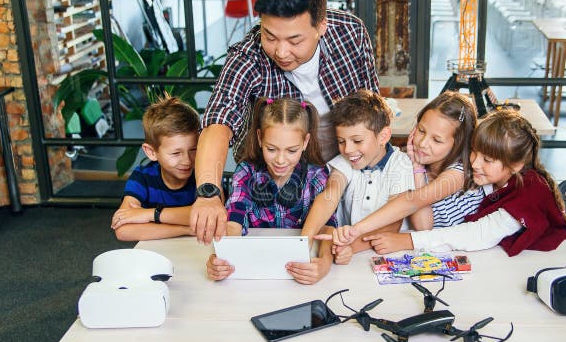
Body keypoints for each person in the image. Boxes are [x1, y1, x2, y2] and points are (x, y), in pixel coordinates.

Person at [191, 0, 379, 245]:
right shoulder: (246, 58)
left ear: (321, 26)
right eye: (270, 36)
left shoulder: (349, 34)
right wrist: (208, 193)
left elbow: (372, 109)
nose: (281, 51)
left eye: (294, 41)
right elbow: (219, 121)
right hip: (279, 194)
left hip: (348, 173)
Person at [355, 109, 566, 257]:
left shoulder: (530, 191)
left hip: (535, 266)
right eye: (475, 153)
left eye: (487, 159)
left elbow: (476, 235)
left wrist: (407, 241)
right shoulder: (494, 178)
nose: (475, 163)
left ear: (515, 165)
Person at [329, 91, 485, 255]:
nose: (423, 143)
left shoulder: (458, 174)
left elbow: (420, 220)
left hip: (466, 251)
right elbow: (421, 224)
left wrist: (356, 230)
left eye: (437, 140)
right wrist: (417, 168)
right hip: (431, 248)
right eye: (421, 130)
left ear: (458, 145)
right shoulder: (412, 162)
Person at [205, 97, 336, 285]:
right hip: (255, 273)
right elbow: (234, 216)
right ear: (260, 138)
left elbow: (328, 225)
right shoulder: (246, 172)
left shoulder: (317, 175)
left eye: (291, 151)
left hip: (298, 272)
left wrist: (324, 263)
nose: (281, 160)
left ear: (306, 142)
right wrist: (223, 255)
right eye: (272, 149)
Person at [302, 90, 414, 264]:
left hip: (386, 254)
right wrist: (304, 240)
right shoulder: (345, 162)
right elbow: (329, 196)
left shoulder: (400, 164)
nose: (347, 149)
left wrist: (351, 247)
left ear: (383, 136)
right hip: (347, 252)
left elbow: (393, 223)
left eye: (357, 141)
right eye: (341, 141)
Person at [111, 96, 199, 241]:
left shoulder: (204, 173)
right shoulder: (142, 178)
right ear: (151, 152)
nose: (187, 160)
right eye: (176, 153)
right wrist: (186, 229)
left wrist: (149, 214)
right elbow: (123, 230)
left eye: (193, 149)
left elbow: (208, 215)